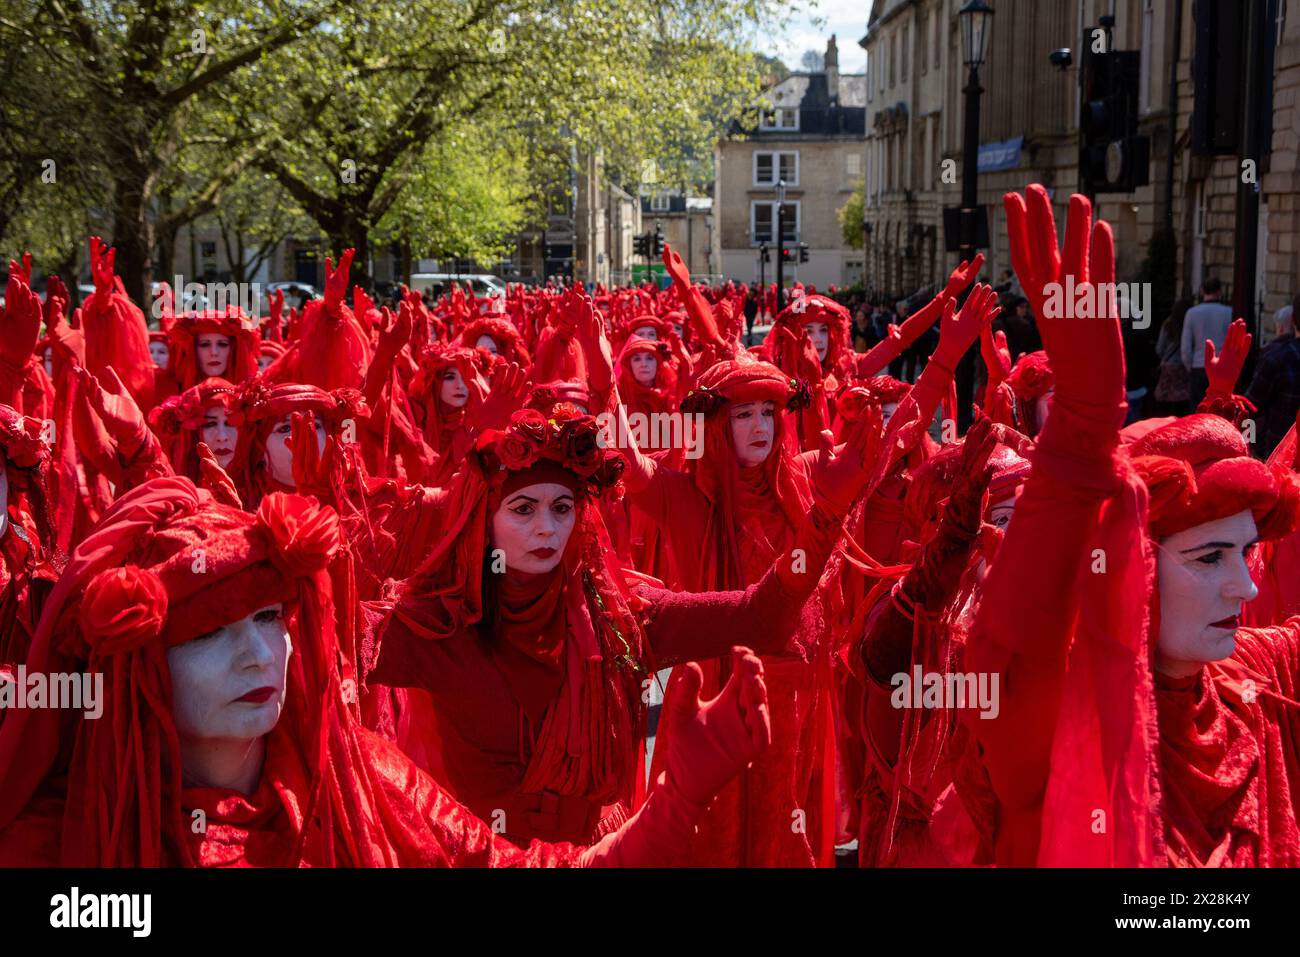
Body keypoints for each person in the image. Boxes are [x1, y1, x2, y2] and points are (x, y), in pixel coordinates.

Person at [0, 477, 773, 867]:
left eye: (271, 619)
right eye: (209, 634)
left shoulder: (359, 784)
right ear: (139, 663)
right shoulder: (59, 837)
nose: (256, 655)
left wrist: (678, 796)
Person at [968, 184, 1300, 867]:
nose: (1244, 586)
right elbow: (1005, 652)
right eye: (1209, 558)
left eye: (1244, 553)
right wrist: (1080, 430)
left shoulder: (1255, 673)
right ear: (1131, 570)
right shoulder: (1069, 709)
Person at [1245, 294, 1300, 458]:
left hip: (1281, 459)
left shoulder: (1277, 357)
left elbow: (1249, 411)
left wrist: (1251, 449)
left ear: (1293, 319)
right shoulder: (1278, 356)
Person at [1181, 277, 1234, 408]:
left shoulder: (1192, 313)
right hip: (1221, 367)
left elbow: (1185, 347)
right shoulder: (1229, 312)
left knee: (1197, 410)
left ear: (1202, 291)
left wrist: (1190, 366)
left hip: (1199, 365)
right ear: (1220, 292)